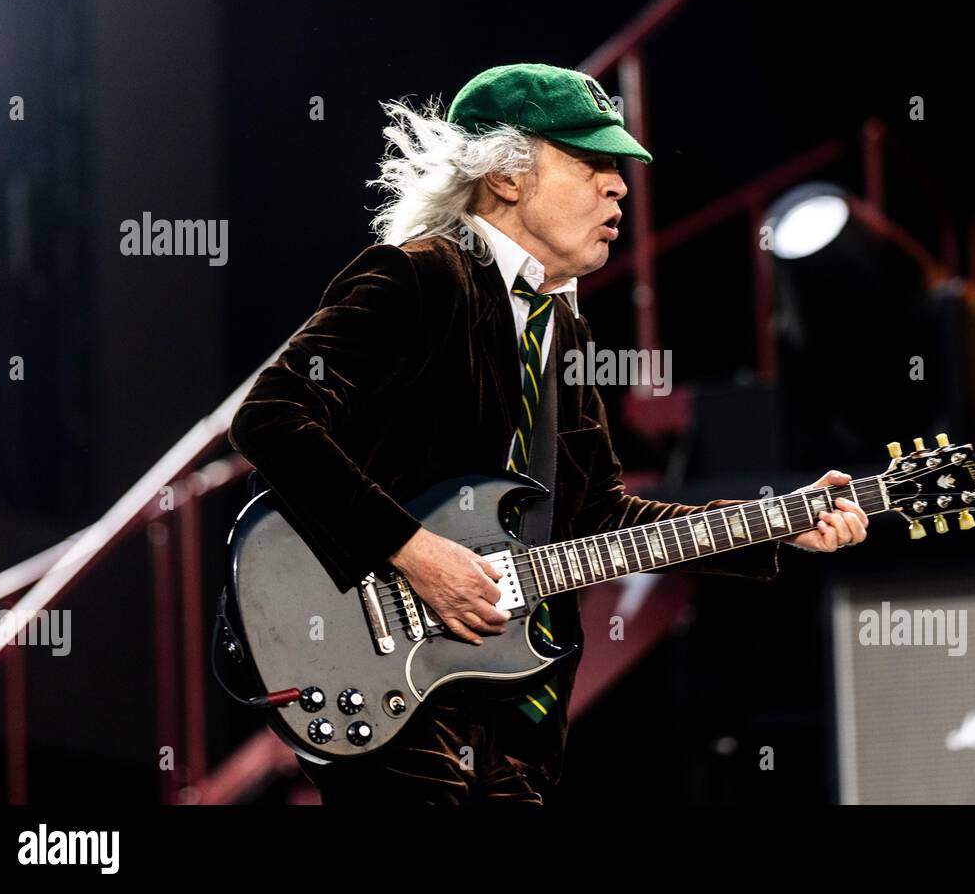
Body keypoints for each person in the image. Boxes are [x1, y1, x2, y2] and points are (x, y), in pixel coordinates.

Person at [227, 63, 869, 805]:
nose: (619, 184)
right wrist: (415, 550)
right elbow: (270, 417)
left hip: (500, 709)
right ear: (503, 173)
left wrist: (778, 524)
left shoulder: (559, 325)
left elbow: (601, 516)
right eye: (590, 162)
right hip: (376, 667)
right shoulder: (421, 278)